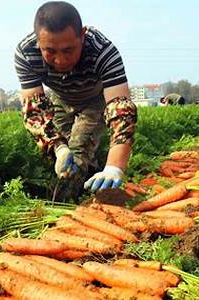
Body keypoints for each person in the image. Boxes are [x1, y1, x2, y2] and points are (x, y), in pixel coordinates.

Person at [14, 1, 137, 201]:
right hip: (61, 98)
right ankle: (87, 181)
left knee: (79, 146)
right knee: (64, 156)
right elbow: (34, 111)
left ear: (82, 35)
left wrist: (115, 167)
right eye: (50, 52)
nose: (60, 60)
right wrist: (58, 148)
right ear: (38, 42)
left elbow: (121, 110)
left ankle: (69, 204)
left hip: (95, 98)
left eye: (68, 50)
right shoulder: (26, 53)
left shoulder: (103, 51)